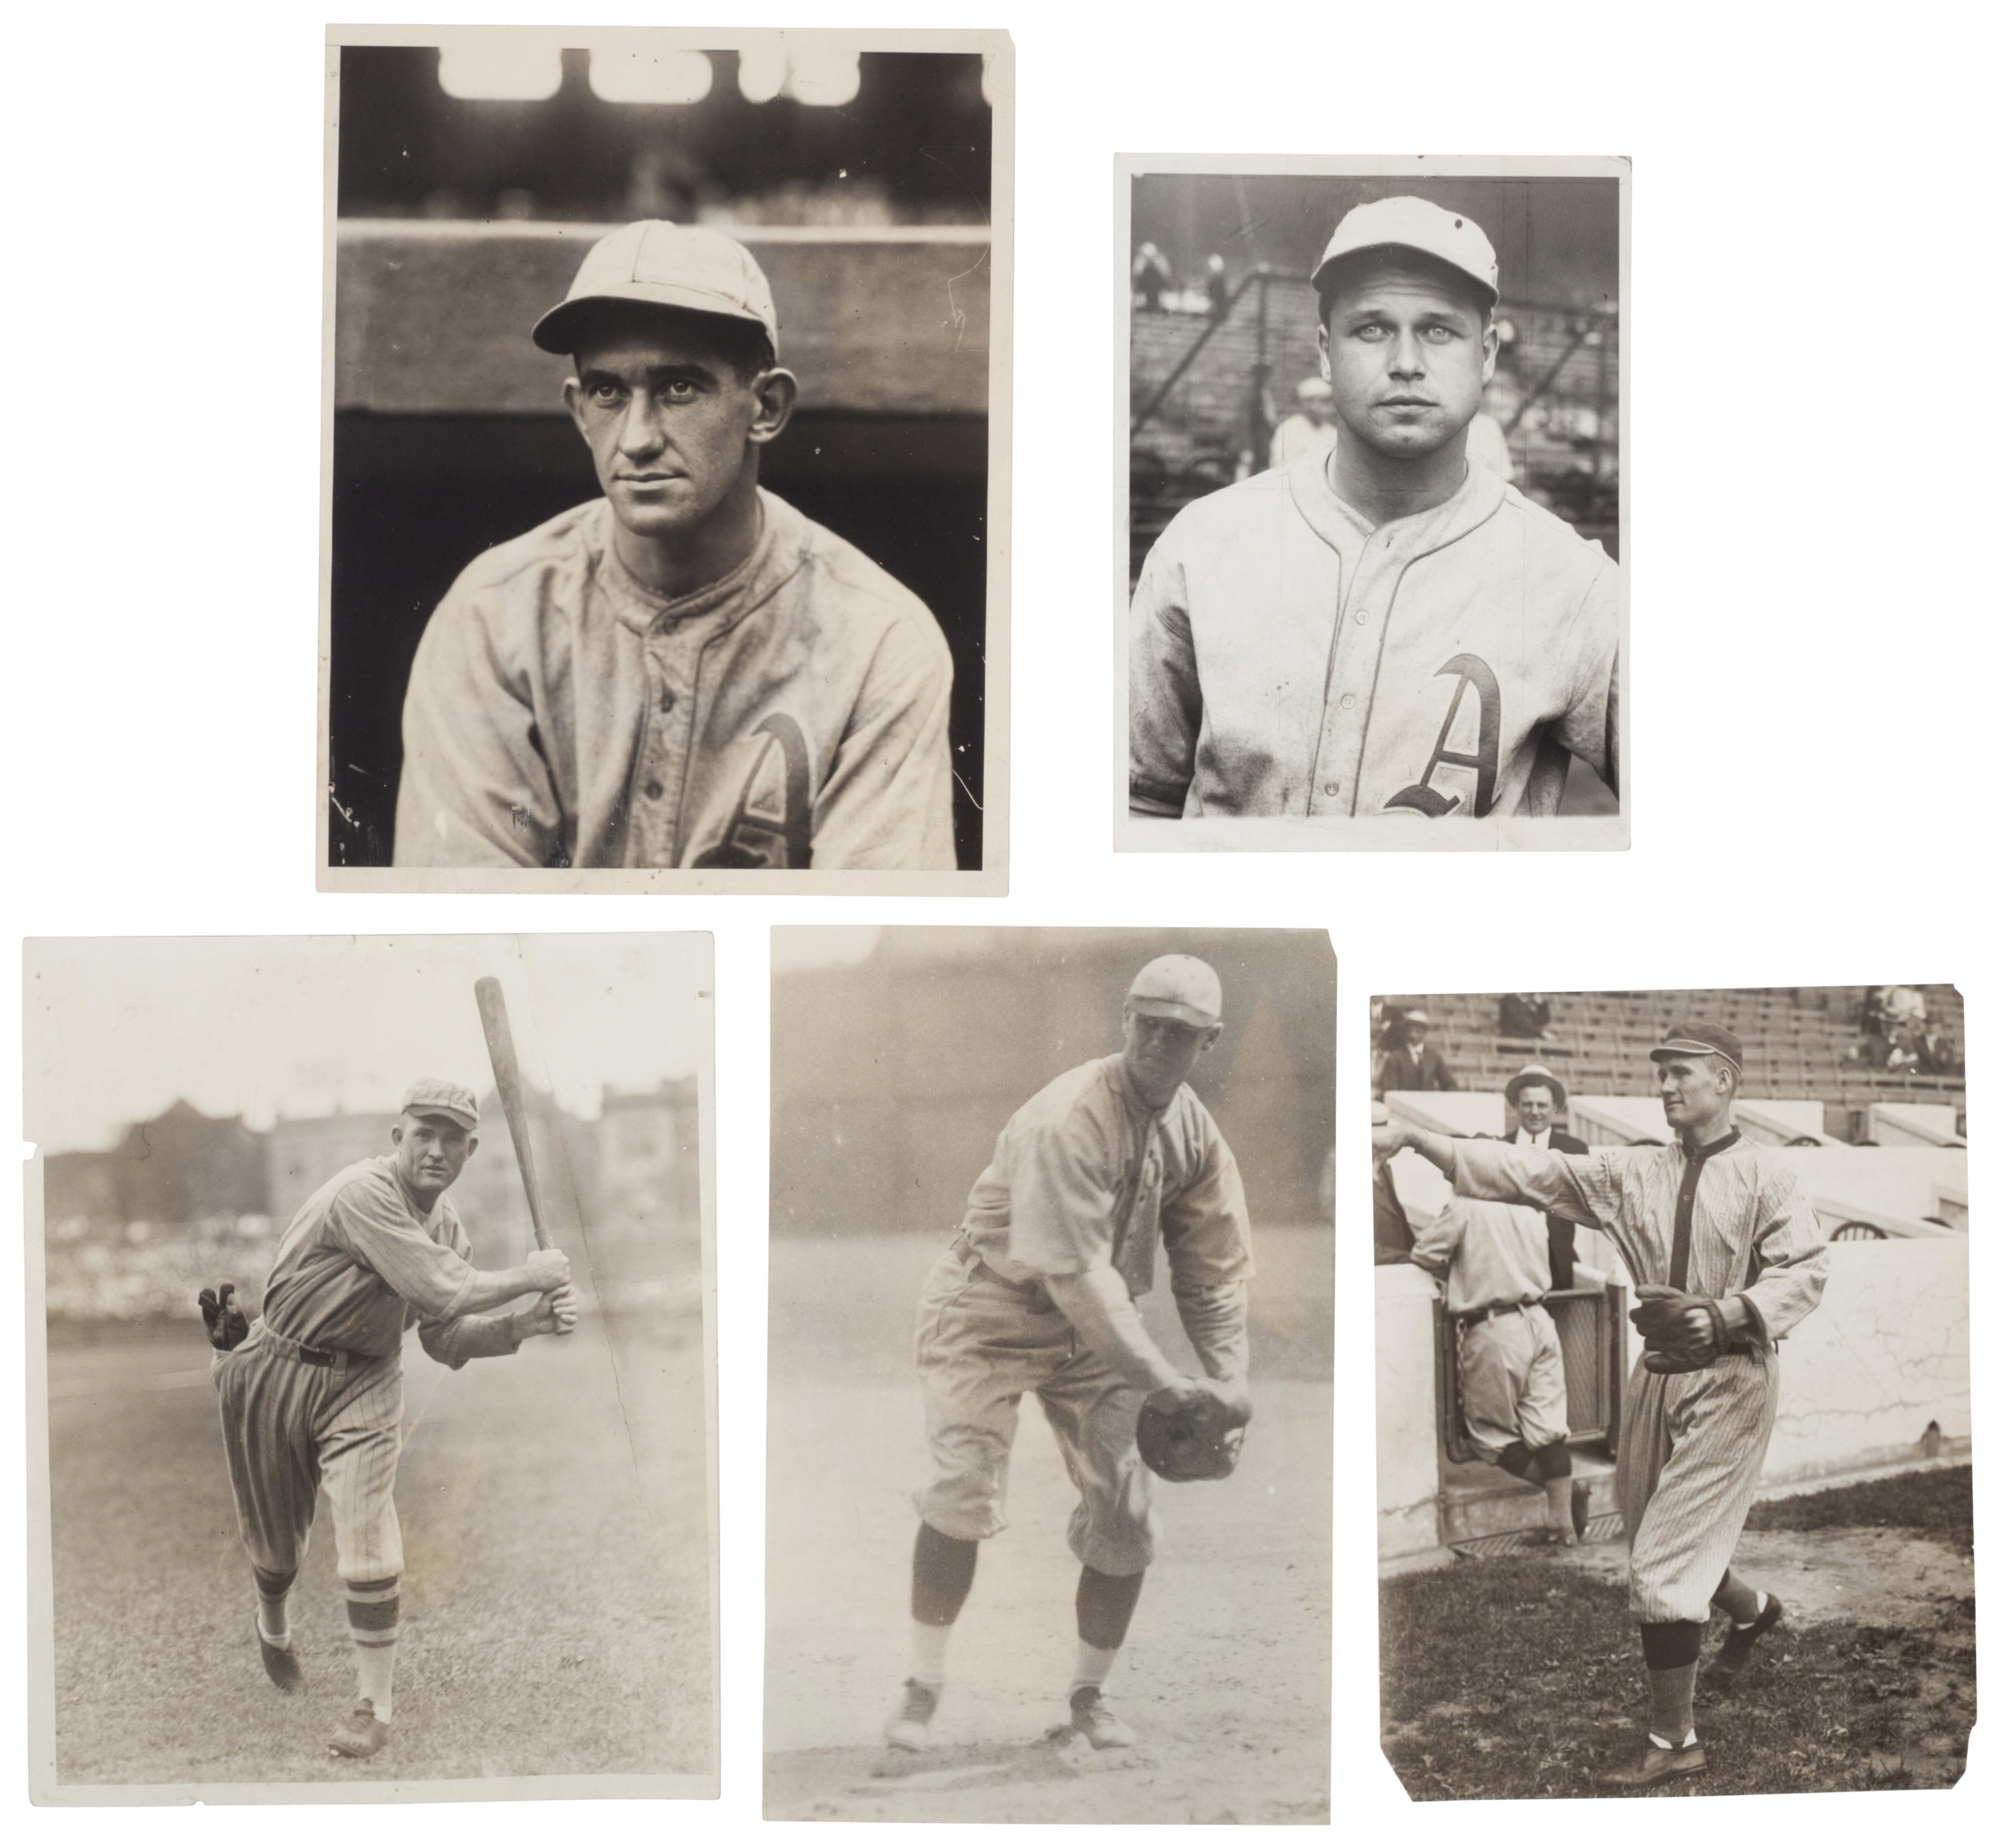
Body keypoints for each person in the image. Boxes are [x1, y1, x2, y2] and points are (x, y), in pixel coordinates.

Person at [395, 220, 956, 871]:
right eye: (608, 392)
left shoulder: (878, 639)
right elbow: (472, 932)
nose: (635, 437)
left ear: (766, 407)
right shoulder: (493, 617)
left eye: (678, 388)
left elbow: (859, 942)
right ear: (579, 412)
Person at [1374, 1026, 1829, 1789]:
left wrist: (1723, 1314)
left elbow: (1806, 1270)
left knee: (1660, 1563)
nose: (1665, 1087)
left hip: (1732, 1373)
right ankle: (1752, 1613)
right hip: (1655, 1375)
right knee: (1657, 1526)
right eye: (1659, 1074)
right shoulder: (1632, 1169)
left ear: (1722, 1080)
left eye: (1680, 1073)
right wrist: (1419, 1139)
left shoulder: (1768, 1175)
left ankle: (1674, 1738)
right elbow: (1529, 1171)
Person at [1129, 196, 1621, 825]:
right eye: (1371, 328)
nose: (1406, 363)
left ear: (1489, 352)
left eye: (1438, 329)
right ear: (1324, 351)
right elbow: (1136, 803)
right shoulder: (1200, 544)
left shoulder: (1571, 581)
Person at [886, 956, 1253, 1754]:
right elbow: (1077, 1279)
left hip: (1094, 1326)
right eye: (1146, 1023)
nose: (1158, 1042)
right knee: (962, 1488)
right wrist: (1165, 1385)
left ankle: (1089, 1697)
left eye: (1180, 1032)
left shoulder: (1193, 1131)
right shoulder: (1069, 1117)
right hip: (988, 1303)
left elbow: (1213, 1271)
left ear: (1209, 1042)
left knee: (1123, 1510)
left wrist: (1228, 1384)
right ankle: (921, 1685)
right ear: (1124, 1018)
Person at [206, 1081, 579, 1759]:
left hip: (366, 1380)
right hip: (276, 1365)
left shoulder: (450, 1228)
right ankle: (274, 1623)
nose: (435, 1149)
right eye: (422, 1134)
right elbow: (441, 1286)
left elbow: (444, 1334)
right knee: (276, 1547)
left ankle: (373, 1706)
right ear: (396, 1138)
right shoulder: (362, 1193)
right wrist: (529, 1276)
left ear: (470, 1148)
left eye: (451, 1138)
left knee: (367, 1530)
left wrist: (522, 1324)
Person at [1409, 1188, 1588, 1545]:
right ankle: (1563, 1522)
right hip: (1539, 1320)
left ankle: (1566, 1503)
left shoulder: (1465, 1207)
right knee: (1548, 1427)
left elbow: (1424, 1255)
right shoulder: (1528, 1206)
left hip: (1496, 1327)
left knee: (1491, 1438)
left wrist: (1463, 1263)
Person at [1504, 1062, 1588, 1289]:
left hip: (1556, 1257)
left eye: (1542, 1105)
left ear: (1555, 1108)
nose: (1535, 1112)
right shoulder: (1501, 1148)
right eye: (1527, 1104)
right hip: (1510, 1256)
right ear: (1516, 1106)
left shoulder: (1574, 1149)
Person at [1374, 1009, 1458, 1097]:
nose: (1413, 1035)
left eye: (1418, 1031)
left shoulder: (1434, 1056)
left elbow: (1449, 1084)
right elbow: (1390, 1089)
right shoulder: (1395, 1057)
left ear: (1425, 1033)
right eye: (1410, 1031)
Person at [1268, 377, 1340, 469]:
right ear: (1307, 404)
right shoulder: (1288, 429)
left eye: (1329, 402)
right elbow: (1280, 466)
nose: (1328, 407)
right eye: (1323, 401)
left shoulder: (1332, 433)